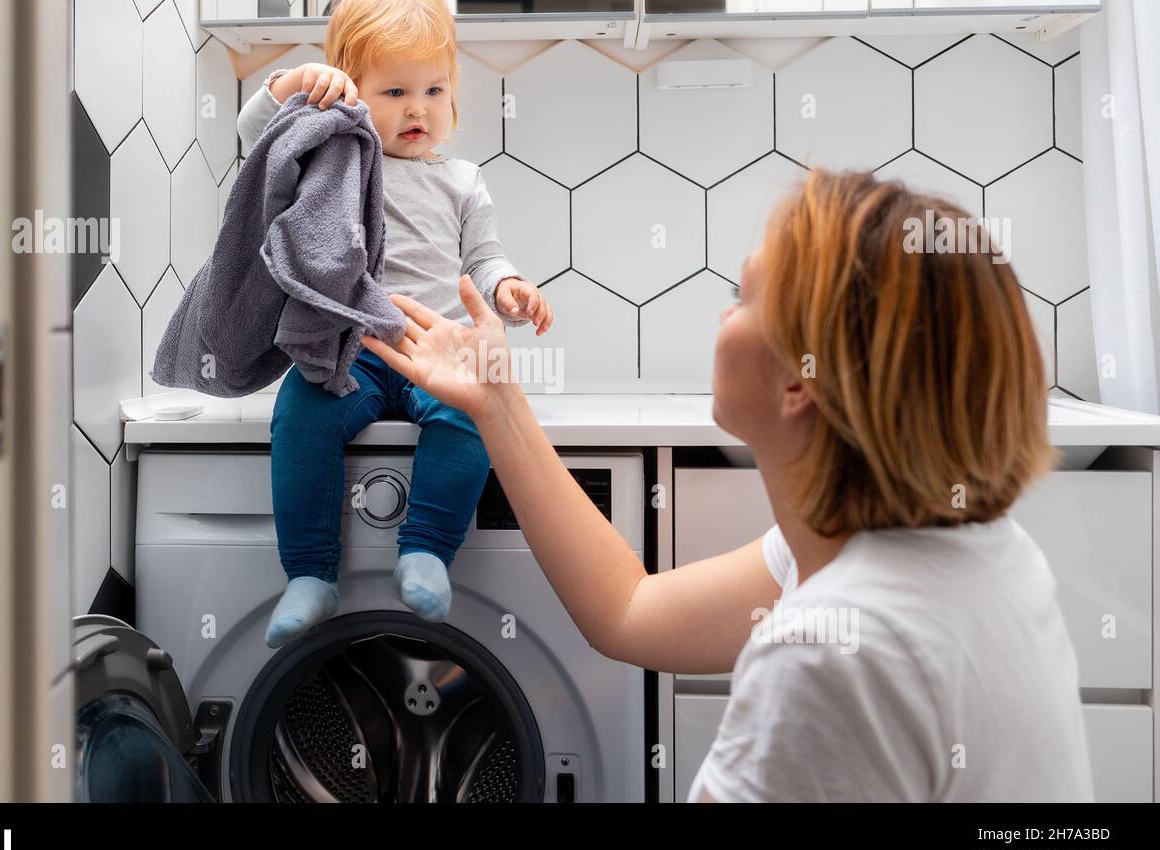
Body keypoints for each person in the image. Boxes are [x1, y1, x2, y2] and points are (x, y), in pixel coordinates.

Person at [361, 168, 1094, 801]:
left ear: (800, 384)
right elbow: (628, 611)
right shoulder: (967, 549)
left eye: (742, 298)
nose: (721, 315)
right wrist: (498, 405)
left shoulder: (827, 655)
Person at [236, 0, 554, 648]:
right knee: (298, 414)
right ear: (351, 93)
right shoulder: (334, 159)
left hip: (436, 350)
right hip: (352, 350)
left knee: (470, 412)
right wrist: (295, 82)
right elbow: (255, 138)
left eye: (434, 92)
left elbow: (484, 259)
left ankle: (427, 551)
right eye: (396, 93)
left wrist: (510, 290)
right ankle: (310, 574)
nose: (419, 109)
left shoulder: (463, 180)